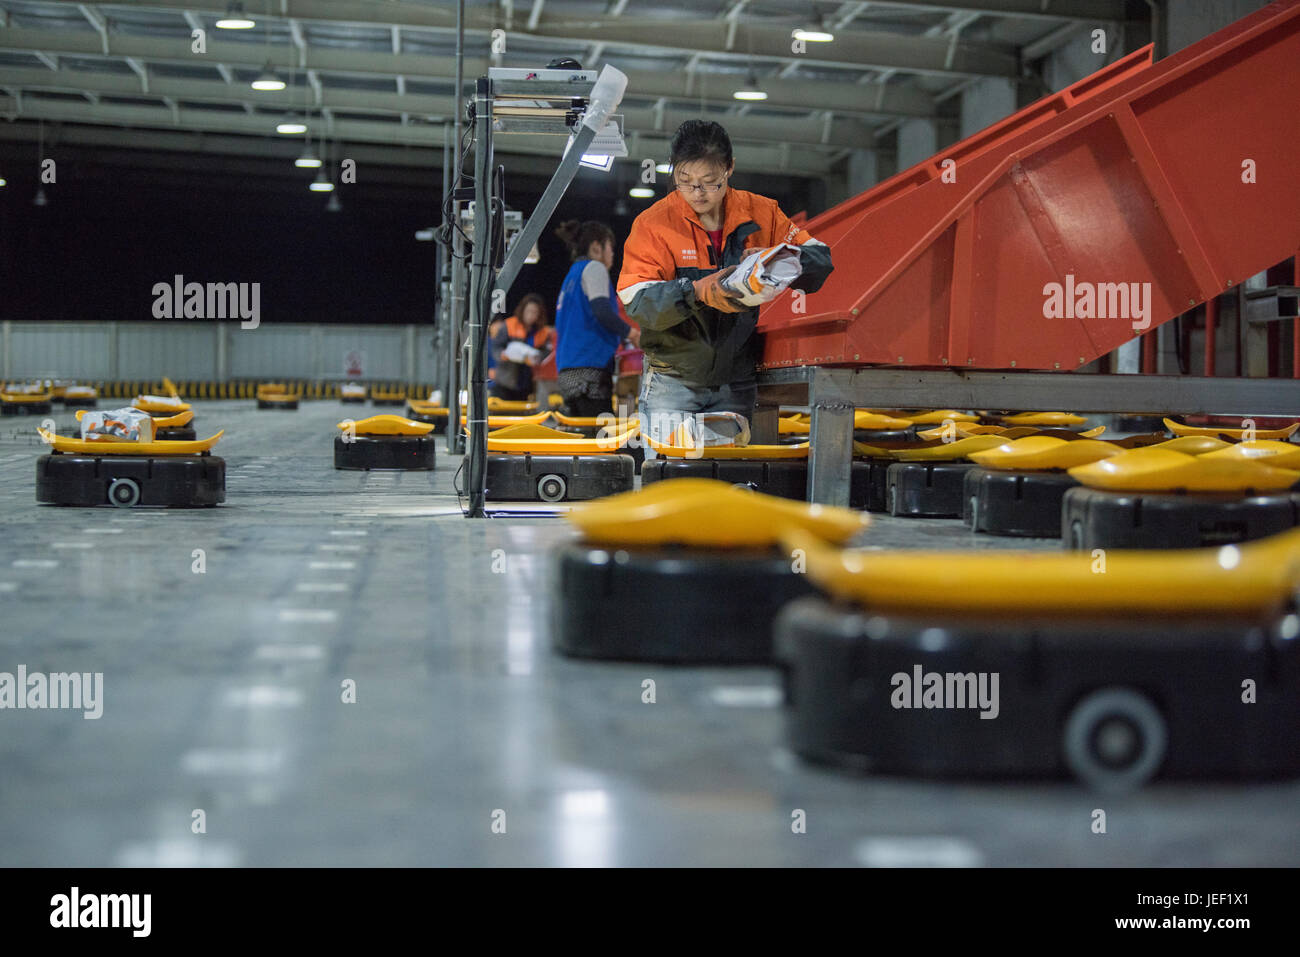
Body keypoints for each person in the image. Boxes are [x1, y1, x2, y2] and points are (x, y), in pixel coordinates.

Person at [617, 120, 833, 442]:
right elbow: (638, 303)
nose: (697, 193)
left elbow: (821, 260)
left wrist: (780, 257)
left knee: (728, 482)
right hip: (672, 384)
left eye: (710, 182)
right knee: (671, 482)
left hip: (736, 384)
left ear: (729, 169)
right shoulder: (653, 224)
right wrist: (697, 292)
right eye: (685, 181)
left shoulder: (762, 213)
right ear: (673, 170)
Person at [552, 220, 639, 417]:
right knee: (602, 442)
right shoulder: (594, 268)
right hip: (590, 371)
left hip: (568, 370)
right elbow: (601, 310)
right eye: (611, 247)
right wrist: (632, 333)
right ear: (596, 247)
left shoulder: (571, 275)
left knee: (582, 442)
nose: (613, 254)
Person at [490, 293, 555, 401]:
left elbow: (545, 353)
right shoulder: (509, 325)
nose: (531, 315)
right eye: (528, 311)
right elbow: (496, 347)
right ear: (523, 310)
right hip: (505, 382)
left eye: (535, 312)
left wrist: (536, 359)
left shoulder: (542, 332)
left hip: (526, 383)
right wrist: (502, 355)